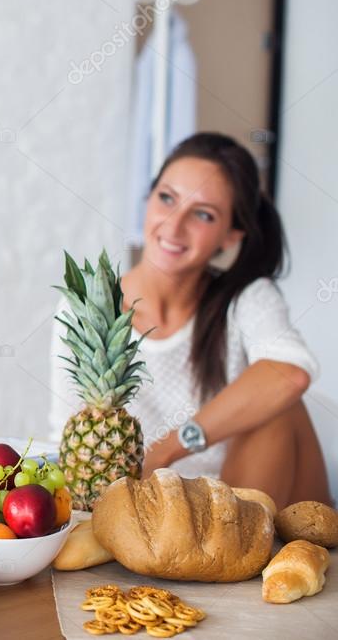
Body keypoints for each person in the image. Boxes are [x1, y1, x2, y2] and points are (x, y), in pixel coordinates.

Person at [49, 132, 331, 508]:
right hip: (142, 507)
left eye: (203, 214)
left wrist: (167, 450)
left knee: (280, 402)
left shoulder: (246, 298)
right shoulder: (85, 309)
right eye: (167, 198)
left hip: (236, 503)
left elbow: (291, 373)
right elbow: (69, 433)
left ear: (230, 236)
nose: (174, 225)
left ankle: (265, 550)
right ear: (148, 199)